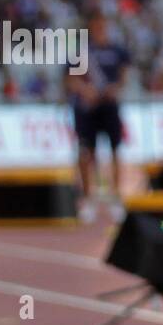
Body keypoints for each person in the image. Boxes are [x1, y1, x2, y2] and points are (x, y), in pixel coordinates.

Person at [68, 15, 129, 222]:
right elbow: (71, 79)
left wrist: (113, 90)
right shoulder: (81, 52)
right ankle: (88, 199)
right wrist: (87, 91)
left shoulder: (117, 50)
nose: (100, 28)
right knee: (86, 152)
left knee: (115, 151)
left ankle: (115, 197)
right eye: (96, 24)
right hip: (87, 109)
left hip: (109, 107)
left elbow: (123, 77)